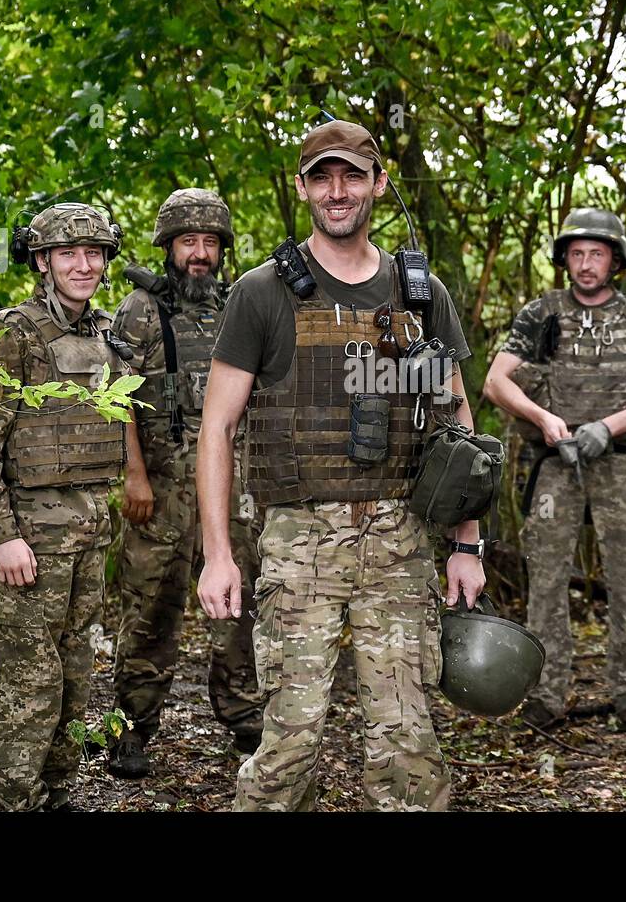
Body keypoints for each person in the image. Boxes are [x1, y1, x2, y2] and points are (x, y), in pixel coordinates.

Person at [196, 120, 485, 811]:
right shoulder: (263, 292)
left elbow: (460, 424)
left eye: (353, 175)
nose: (338, 190)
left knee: (407, 740)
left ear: (379, 184)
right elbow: (217, 425)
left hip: (400, 538)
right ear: (302, 188)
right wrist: (217, 554)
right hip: (299, 543)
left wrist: (467, 542)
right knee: (291, 739)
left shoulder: (421, 293)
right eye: (322, 176)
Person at [0, 202, 145, 809]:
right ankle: (16, 800)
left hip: (90, 536)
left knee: (74, 677)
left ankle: (58, 794)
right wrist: (2, 535)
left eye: (95, 253)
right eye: (69, 254)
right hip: (30, 542)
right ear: (42, 260)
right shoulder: (13, 332)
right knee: (26, 686)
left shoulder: (107, 335)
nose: (84, 265)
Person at [482, 207, 626, 737]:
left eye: (597, 253)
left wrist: (607, 428)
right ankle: (545, 696)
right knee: (545, 581)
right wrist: (547, 421)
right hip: (557, 462)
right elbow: (495, 382)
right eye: (577, 253)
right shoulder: (541, 313)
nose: (586, 263)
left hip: (619, 463)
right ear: (564, 259)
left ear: (615, 260)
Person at [107, 188, 263, 777]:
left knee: (236, 606)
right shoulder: (141, 312)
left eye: (209, 242)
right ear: (168, 246)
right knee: (150, 608)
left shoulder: (239, 305)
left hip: (231, 487)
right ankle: (133, 726)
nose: (199, 254)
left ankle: (244, 714)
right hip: (163, 486)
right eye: (187, 242)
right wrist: (134, 474)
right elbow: (115, 399)